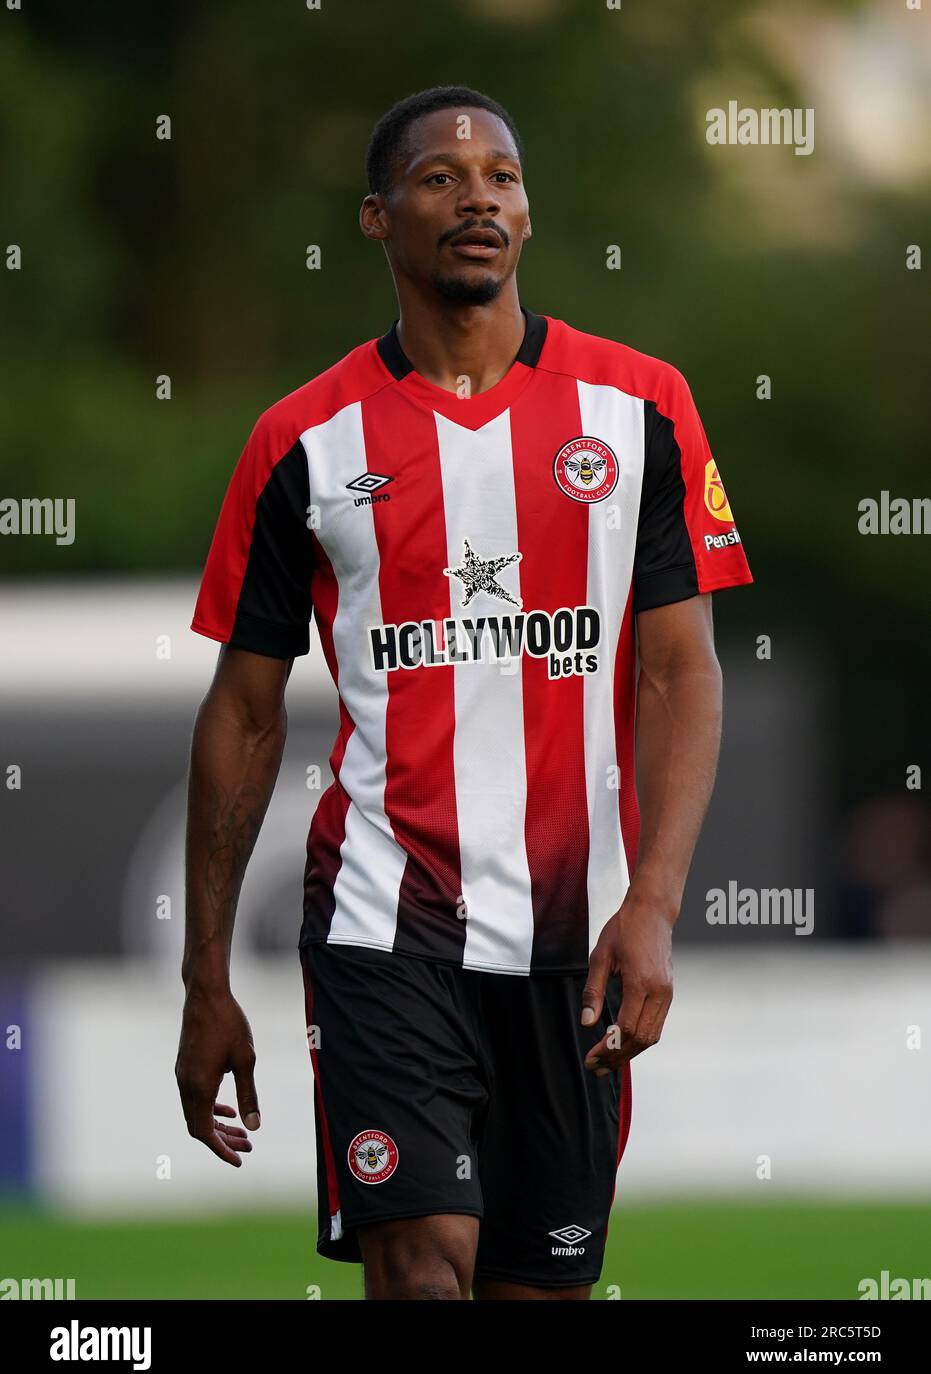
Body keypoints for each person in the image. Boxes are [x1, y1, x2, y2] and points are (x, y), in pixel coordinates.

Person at [175, 84, 753, 1301]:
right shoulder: (302, 442)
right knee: (424, 1266)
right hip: (385, 924)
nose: (476, 194)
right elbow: (241, 712)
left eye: (500, 175)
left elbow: (679, 668)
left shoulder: (642, 410)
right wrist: (206, 975)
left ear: (529, 216)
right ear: (380, 218)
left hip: (576, 939)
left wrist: (652, 903)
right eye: (439, 177)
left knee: (534, 1289)